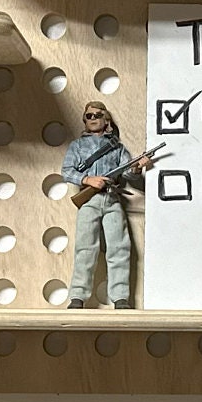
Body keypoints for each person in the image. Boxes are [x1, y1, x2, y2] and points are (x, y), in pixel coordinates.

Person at [62, 101, 142, 309]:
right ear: (85, 120)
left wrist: (135, 169)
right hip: (89, 200)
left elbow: (126, 172)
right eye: (89, 116)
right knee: (85, 248)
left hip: (113, 198)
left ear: (106, 119)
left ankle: (120, 297)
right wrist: (88, 180)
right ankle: (78, 296)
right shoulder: (77, 146)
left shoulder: (117, 147)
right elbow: (67, 171)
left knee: (119, 248)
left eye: (98, 115)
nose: (93, 118)